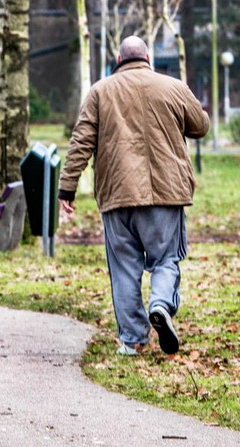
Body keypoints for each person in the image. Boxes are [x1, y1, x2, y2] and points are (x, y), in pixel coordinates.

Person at [58, 36, 209, 356]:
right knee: (165, 259)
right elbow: (201, 125)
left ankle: (132, 340)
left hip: (117, 196)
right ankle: (160, 305)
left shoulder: (100, 92)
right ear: (148, 57)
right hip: (164, 194)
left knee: (124, 268)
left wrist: (67, 188)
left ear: (118, 58)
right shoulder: (172, 86)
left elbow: (80, 141)